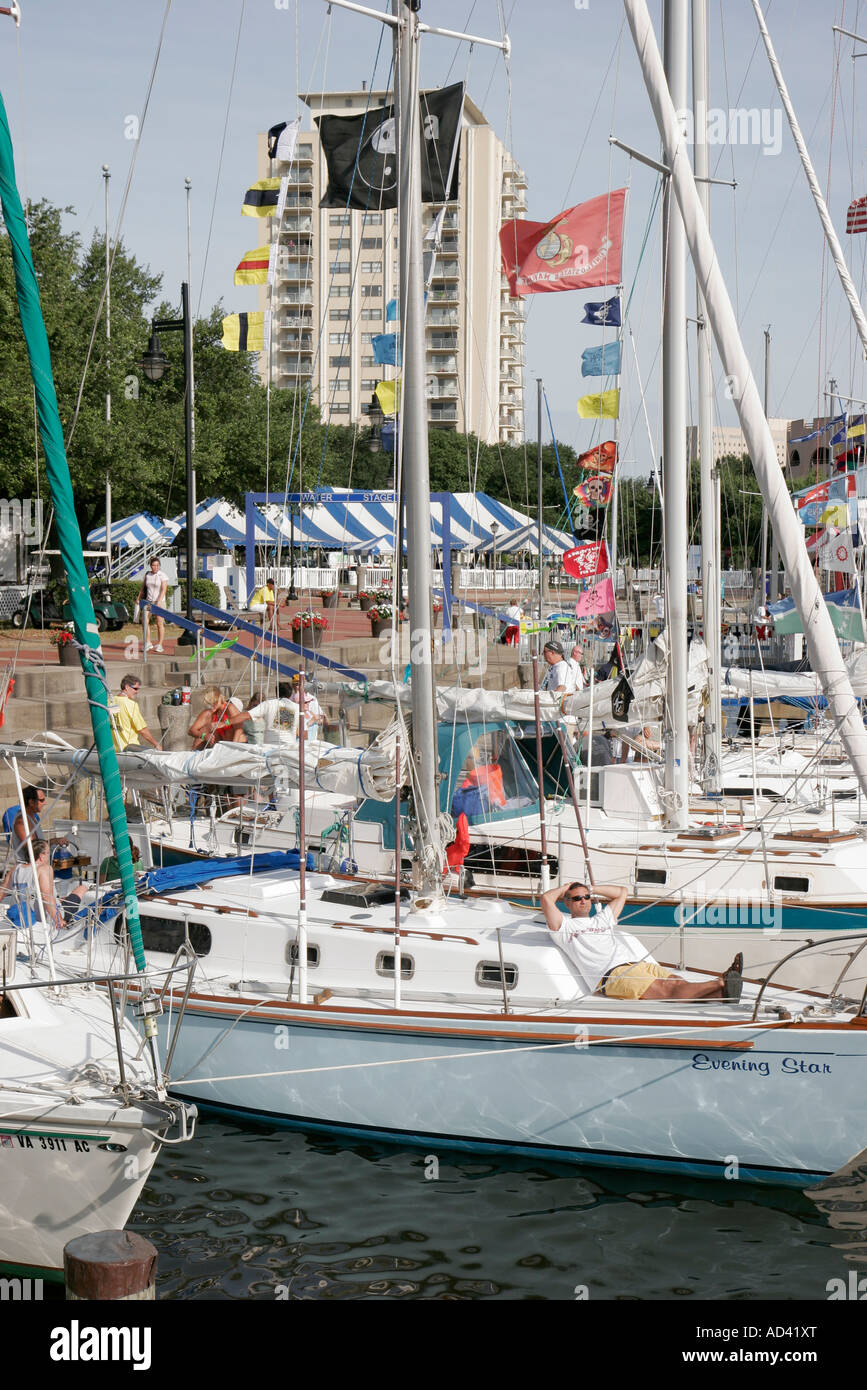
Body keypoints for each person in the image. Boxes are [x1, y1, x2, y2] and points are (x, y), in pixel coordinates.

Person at [540, 880, 743, 1002]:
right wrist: (566, 886)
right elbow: (546, 899)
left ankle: (721, 993)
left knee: (679, 983)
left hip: (637, 965)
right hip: (612, 976)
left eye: (586, 896)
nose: (583, 900)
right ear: (567, 902)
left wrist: (590, 886)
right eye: (576, 898)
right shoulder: (564, 927)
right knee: (671, 990)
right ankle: (722, 982)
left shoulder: (601, 918)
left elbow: (622, 892)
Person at [0, 838, 88, 931]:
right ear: (41, 856)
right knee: (82, 888)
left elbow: (2, 891)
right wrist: (59, 920)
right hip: (43, 918)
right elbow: (47, 897)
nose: (49, 856)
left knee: (62, 899)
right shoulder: (44, 868)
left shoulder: (15, 869)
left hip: (20, 916)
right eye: (47, 853)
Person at [110, 674, 162, 752]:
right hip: (129, 749)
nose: (137, 692)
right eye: (135, 689)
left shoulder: (110, 701)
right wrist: (156, 744)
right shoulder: (131, 704)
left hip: (114, 750)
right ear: (127, 687)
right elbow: (142, 730)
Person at [139, 555, 169, 653]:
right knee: (144, 621)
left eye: (157, 565)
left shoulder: (162, 575)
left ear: (159, 566)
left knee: (159, 623)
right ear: (151, 566)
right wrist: (138, 598)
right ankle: (148, 642)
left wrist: (159, 601)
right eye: (153, 565)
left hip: (159, 601)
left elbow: (164, 589)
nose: (155, 567)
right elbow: (143, 588)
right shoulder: (148, 575)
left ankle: (160, 644)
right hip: (149, 601)